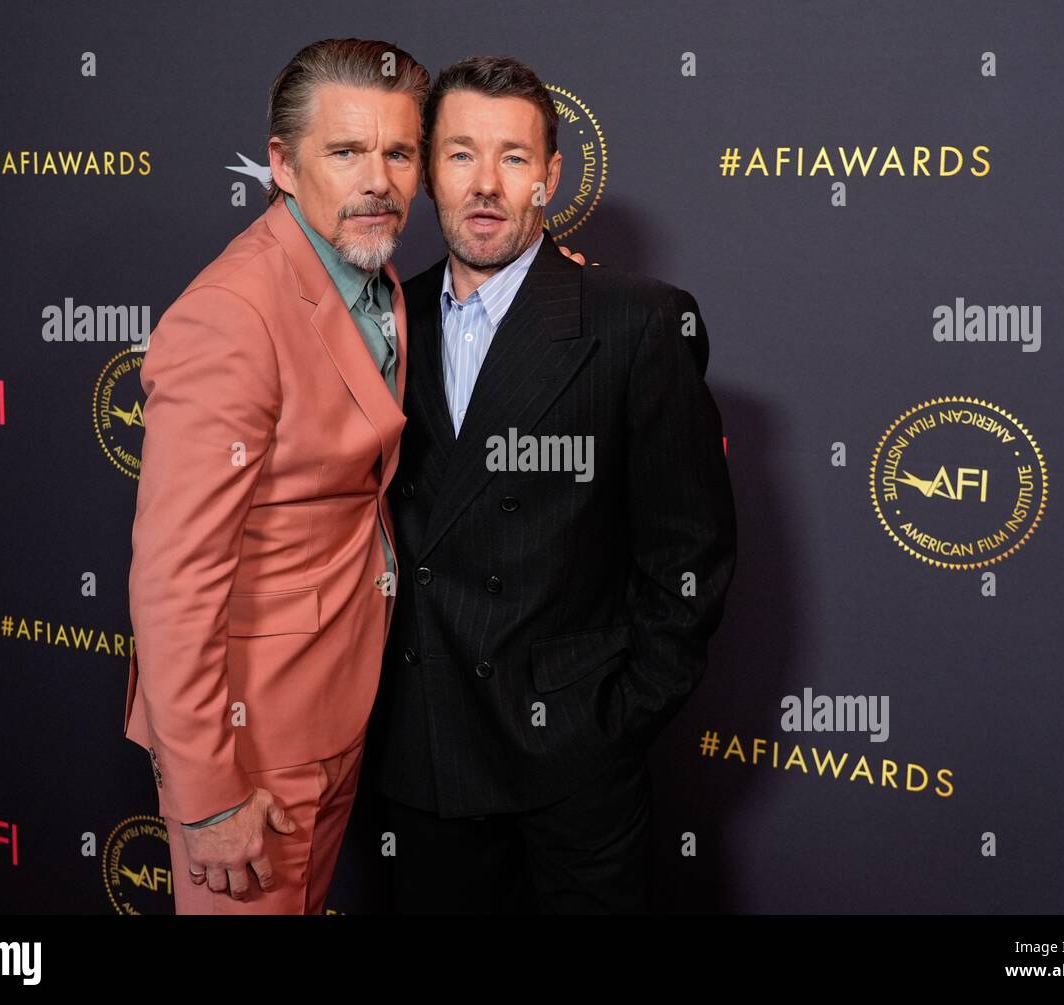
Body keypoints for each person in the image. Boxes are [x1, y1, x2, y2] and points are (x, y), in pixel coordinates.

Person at [367, 54, 737, 913]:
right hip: (421, 756)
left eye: (515, 158)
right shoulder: (384, 317)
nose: (487, 184)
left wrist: (613, 720)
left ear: (551, 176)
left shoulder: (636, 322)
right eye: (461, 155)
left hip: (572, 771)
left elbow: (691, 551)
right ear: (427, 172)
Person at [124, 38, 428, 914]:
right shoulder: (230, 318)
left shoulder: (369, 267)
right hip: (246, 742)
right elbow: (174, 581)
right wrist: (211, 795)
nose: (379, 180)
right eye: (346, 152)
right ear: (283, 167)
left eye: (399, 152)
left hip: (336, 702)